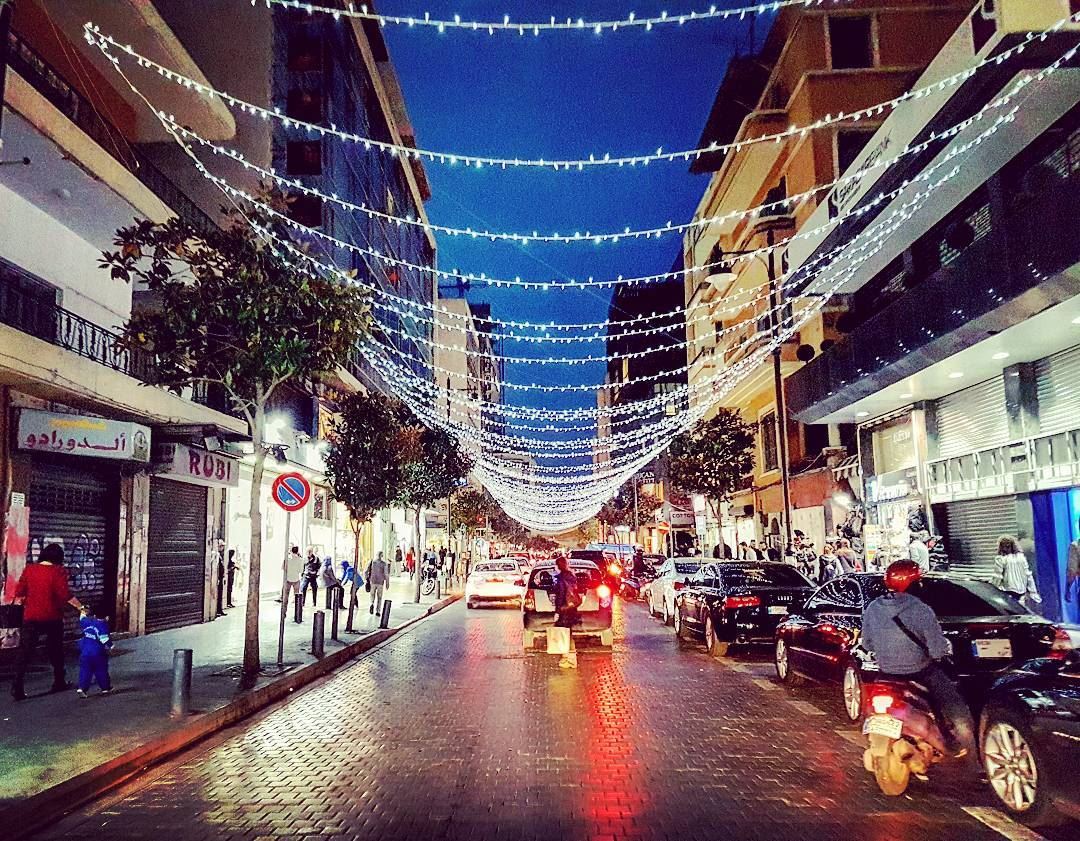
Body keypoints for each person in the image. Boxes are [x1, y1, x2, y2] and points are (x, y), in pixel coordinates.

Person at [861, 560, 976, 765]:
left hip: (885, 673)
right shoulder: (921, 610)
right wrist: (941, 653)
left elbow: (868, 644)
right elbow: (937, 650)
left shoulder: (873, 608)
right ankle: (966, 752)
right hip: (920, 671)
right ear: (913, 583)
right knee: (956, 709)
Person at [11, 543, 84, 701]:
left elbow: (20, 592)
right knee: (55, 650)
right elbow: (64, 594)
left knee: (24, 652)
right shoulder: (58, 571)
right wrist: (81, 607)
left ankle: (17, 686)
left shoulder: (30, 569)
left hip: (30, 617)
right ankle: (59, 681)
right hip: (52, 617)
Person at [76, 603, 112, 698]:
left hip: (85, 653)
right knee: (101, 670)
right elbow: (104, 639)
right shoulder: (103, 625)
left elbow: (82, 618)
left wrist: (83, 610)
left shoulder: (88, 622)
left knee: (85, 670)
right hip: (98, 653)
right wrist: (111, 646)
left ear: (95, 615)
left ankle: (82, 688)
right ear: (107, 617)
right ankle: (105, 688)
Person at [993, 536, 1041, 605]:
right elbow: (1028, 576)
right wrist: (1033, 592)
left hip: (1008, 592)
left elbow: (997, 577)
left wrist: (992, 589)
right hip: (1021, 593)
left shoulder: (1000, 559)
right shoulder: (1021, 557)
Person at [552, 555, 580, 669]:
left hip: (564, 609)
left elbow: (561, 595)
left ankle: (568, 659)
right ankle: (571, 658)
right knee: (569, 633)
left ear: (558, 566)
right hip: (572, 608)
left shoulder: (560, 578)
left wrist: (557, 611)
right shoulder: (572, 576)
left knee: (564, 633)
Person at [366, 551, 390, 616]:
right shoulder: (384, 564)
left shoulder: (372, 562)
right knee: (379, 597)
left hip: (372, 581)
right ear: (382, 556)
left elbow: (366, 571)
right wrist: (387, 583)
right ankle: (378, 611)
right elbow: (386, 574)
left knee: (372, 595)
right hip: (380, 582)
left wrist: (367, 579)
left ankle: (372, 603)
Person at [283, 546, 303, 621]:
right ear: (297, 551)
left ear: (291, 551)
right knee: (297, 598)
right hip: (296, 579)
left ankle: (284, 613)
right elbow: (301, 570)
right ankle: (297, 615)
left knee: (285, 597)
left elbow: (283, 568)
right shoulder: (300, 560)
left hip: (287, 579)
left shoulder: (287, 559)